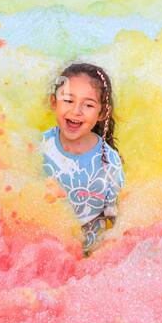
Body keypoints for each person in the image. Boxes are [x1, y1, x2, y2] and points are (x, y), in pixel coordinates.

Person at [42, 63, 123, 255]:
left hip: (90, 254)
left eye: (88, 105)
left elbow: (115, 217)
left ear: (102, 113)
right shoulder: (40, 146)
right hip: (46, 248)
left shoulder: (108, 162)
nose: (76, 111)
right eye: (68, 100)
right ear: (54, 102)